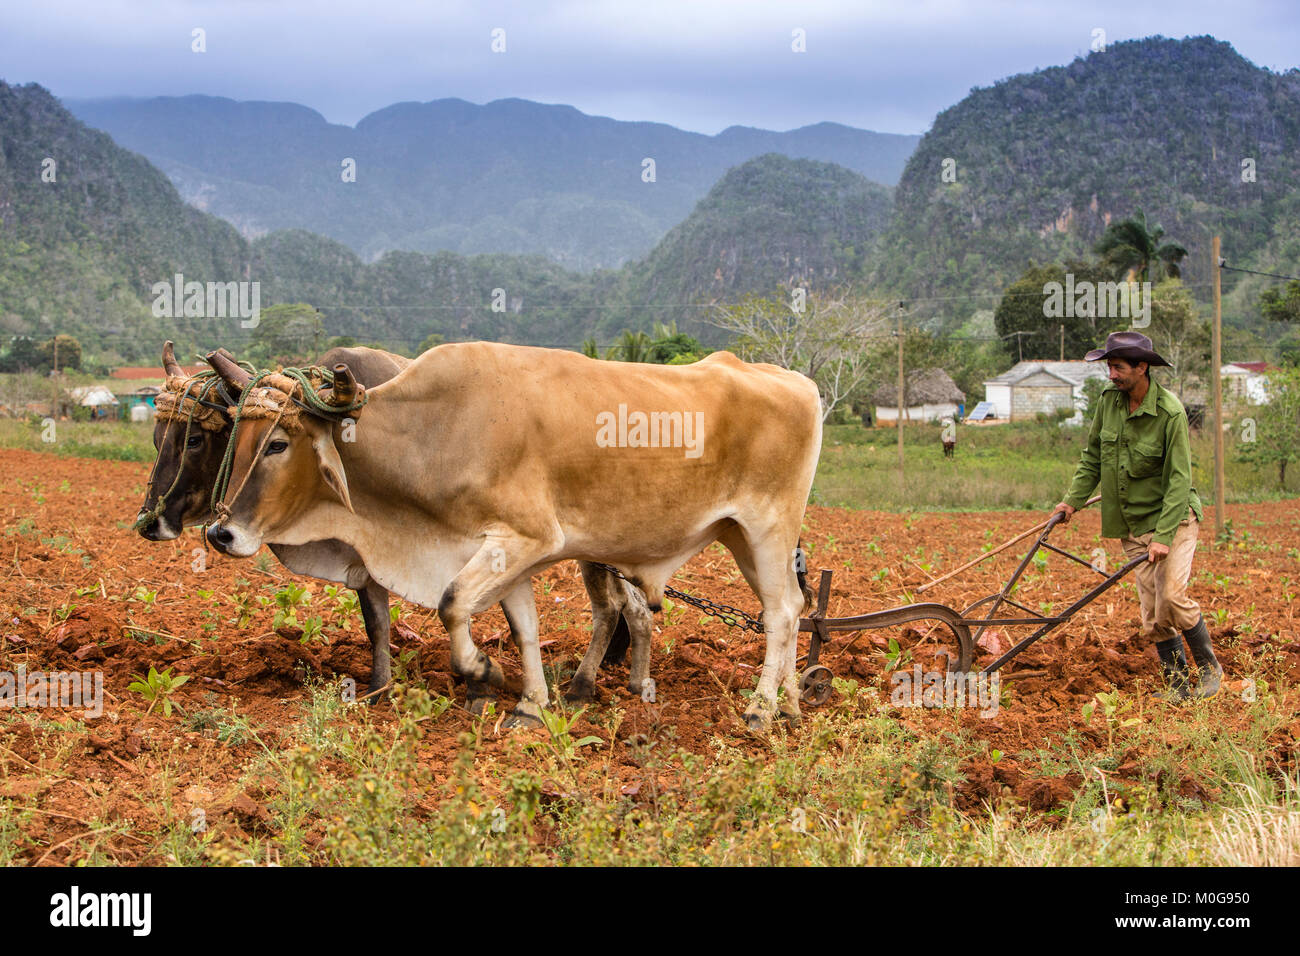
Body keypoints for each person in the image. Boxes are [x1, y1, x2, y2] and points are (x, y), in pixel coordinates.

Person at [1051, 331, 1220, 700]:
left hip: (1172, 520)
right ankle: (1176, 684)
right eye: (1109, 367)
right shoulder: (1109, 402)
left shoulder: (1170, 412)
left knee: (1172, 599)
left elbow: (1179, 480)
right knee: (1152, 615)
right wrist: (1071, 501)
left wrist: (1163, 536)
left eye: (1118, 368)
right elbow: (1093, 456)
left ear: (1142, 367)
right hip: (1130, 524)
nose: (1111, 375)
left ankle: (1209, 670)